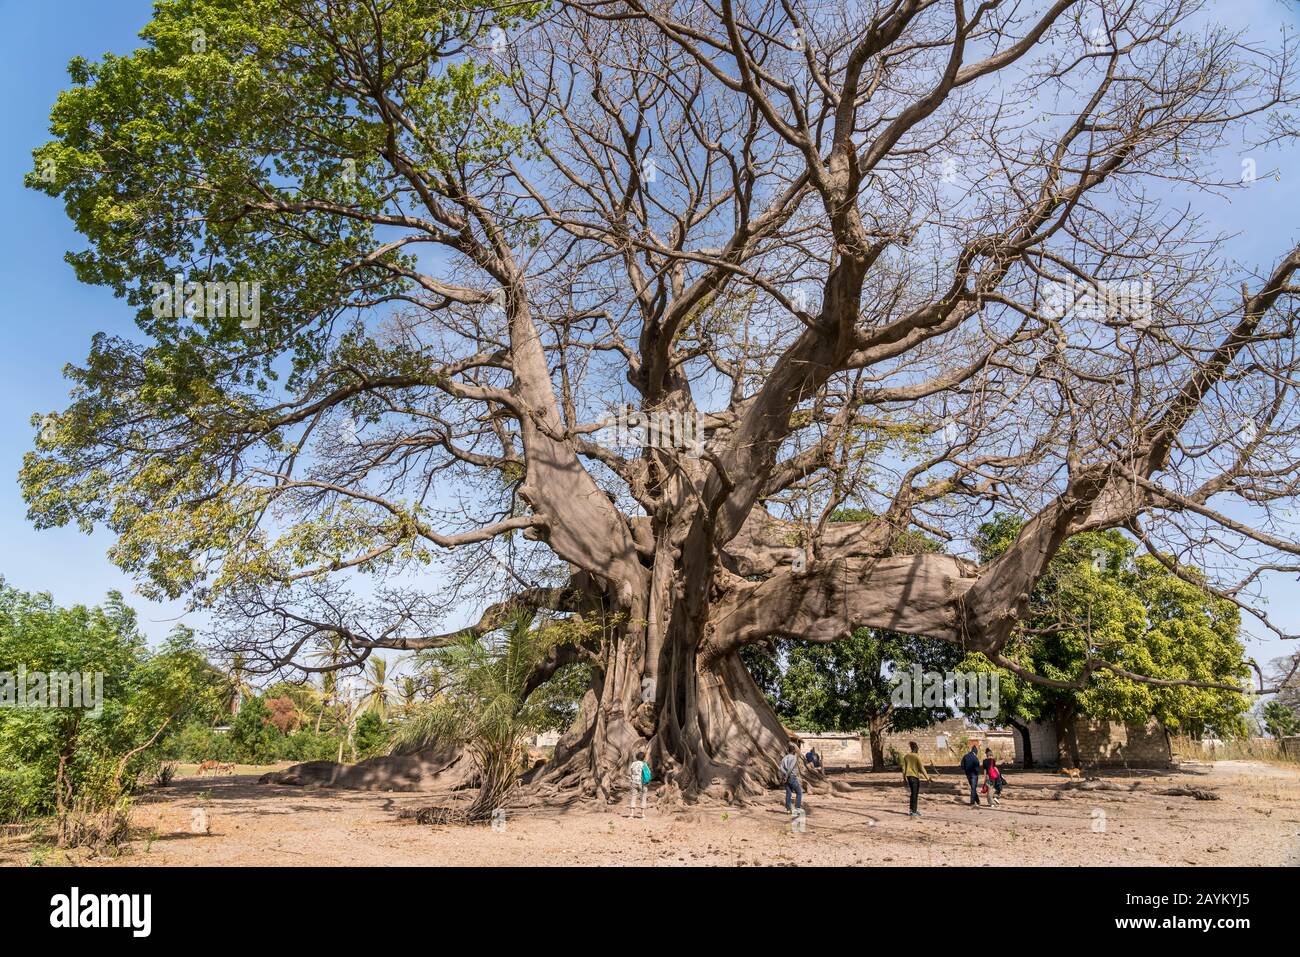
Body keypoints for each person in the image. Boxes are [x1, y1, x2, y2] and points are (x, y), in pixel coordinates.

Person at [900, 741, 930, 817]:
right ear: (916, 749)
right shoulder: (917, 756)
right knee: (915, 794)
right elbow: (922, 768)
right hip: (914, 777)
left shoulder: (906, 756)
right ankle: (913, 811)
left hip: (908, 777)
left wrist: (904, 779)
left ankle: (912, 810)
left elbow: (903, 768)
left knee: (912, 794)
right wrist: (928, 778)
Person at [779, 743, 803, 815]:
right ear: (794, 751)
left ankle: (788, 809)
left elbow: (781, 768)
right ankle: (797, 808)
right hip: (791, 777)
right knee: (799, 792)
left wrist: (784, 775)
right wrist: (787, 776)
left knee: (788, 793)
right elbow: (790, 768)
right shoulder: (794, 758)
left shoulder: (784, 758)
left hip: (785, 777)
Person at [628, 751, 650, 817]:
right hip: (642, 783)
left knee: (633, 796)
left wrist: (632, 779)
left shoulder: (633, 764)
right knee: (643, 797)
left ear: (636, 757)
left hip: (634, 782)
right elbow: (648, 773)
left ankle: (631, 814)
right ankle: (643, 814)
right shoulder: (644, 764)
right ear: (643, 758)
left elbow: (630, 773)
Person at [960, 742, 982, 807]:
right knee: (973, 788)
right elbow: (977, 767)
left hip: (968, 774)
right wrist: (977, 773)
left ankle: (977, 801)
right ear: (976, 752)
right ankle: (972, 802)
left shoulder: (965, 756)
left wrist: (965, 770)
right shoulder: (975, 758)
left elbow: (962, 765)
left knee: (973, 788)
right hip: (974, 775)